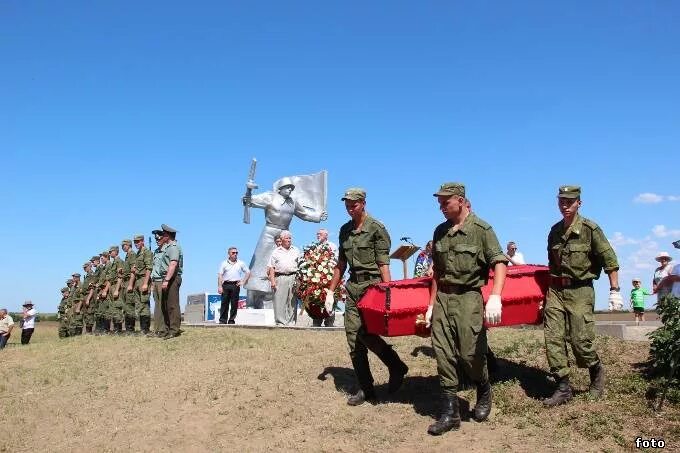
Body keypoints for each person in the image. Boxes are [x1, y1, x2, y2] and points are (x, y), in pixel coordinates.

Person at [424, 183, 507, 435]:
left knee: (470, 353)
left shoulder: (482, 229)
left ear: (460, 200)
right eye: (439, 203)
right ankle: (450, 413)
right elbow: (437, 272)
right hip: (443, 300)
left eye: (445, 202)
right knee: (443, 353)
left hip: (469, 298)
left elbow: (499, 262)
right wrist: (430, 304)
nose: (441, 207)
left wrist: (495, 296)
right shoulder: (440, 231)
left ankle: (483, 387)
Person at [325, 188, 408, 406]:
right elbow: (341, 264)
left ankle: (395, 365)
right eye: (347, 204)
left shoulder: (376, 229)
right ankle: (366, 388)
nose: (349, 207)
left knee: (368, 334)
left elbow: (383, 265)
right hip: (352, 286)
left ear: (363, 203)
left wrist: (387, 292)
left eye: (353, 204)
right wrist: (330, 291)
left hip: (372, 287)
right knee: (353, 338)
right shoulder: (344, 230)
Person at [543, 185, 620, 407]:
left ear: (579, 203)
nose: (565, 205)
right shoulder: (554, 231)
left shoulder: (590, 229)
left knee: (580, 341)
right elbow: (552, 265)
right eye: (561, 201)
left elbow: (610, 260)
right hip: (556, 290)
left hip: (580, 290)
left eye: (570, 201)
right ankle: (563, 386)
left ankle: (595, 370)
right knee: (553, 338)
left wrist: (614, 290)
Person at [243, 177, 327, 307]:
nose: (290, 190)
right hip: (269, 232)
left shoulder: (292, 202)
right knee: (260, 263)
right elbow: (249, 201)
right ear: (280, 188)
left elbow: (304, 214)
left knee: (282, 263)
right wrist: (248, 193)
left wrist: (318, 216)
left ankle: (273, 295)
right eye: (287, 187)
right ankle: (254, 296)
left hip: (284, 233)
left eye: (291, 188)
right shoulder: (270, 197)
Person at [151, 224, 183, 339]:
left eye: (164, 234)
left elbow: (173, 264)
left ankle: (174, 330)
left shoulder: (174, 247)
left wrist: (166, 280)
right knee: (165, 305)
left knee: (172, 305)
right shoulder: (169, 247)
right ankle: (167, 329)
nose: (162, 236)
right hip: (168, 278)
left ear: (168, 236)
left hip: (172, 278)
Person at [267, 231, 301, 326]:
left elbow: (301, 265)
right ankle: (280, 322)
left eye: (290, 238)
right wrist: (273, 281)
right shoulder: (276, 252)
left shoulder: (296, 250)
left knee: (292, 301)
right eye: (287, 238)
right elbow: (271, 268)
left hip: (293, 276)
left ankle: (291, 322)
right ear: (281, 240)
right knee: (279, 301)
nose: (289, 240)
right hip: (280, 277)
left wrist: (299, 280)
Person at [218, 247, 250, 324]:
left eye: (236, 253)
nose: (235, 254)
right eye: (233, 253)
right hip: (226, 284)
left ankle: (231, 320)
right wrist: (219, 286)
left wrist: (243, 281)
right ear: (229, 254)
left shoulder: (241, 263)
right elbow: (220, 275)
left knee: (234, 303)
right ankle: (223, 320)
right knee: (224, 303)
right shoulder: (224, 263)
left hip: (235, 285)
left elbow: (248, 272)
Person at [313, 228, 338, 327]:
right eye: (317, 234)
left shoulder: (332, 246)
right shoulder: (315, 246)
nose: (318, 235)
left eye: (320, 234)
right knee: (316, 298)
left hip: (329, 276)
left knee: (330, 297)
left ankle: (329, 321)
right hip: (316, 277)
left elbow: (336, 260)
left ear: (326, 236)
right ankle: (317, 321)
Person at [132, 235, 154, 335]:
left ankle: (145, 329)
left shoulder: (146, 252)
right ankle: (142, 328)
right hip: (137, 279)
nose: (136, 243)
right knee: (139, 305)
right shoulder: (138, 253)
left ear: (142, 241)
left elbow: (149, 268)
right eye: (135, 242)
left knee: (144, 304)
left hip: (144, 279)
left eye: (138, 241)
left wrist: (145, 283)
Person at [106, 245, 126, 334]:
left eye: (111, 251)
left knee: (117, 307)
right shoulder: (114, 262)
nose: (110, 253)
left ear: (116, 252)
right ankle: (115, 328)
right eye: (109, 252)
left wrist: (117, 289)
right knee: (113, 308)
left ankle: (119, 329)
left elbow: (120, 277)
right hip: (112, 286)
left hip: (117, 286)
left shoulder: (119, 262)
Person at [121, 239, 138, 334]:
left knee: (130, 306)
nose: (122, 247)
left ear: (128, 245)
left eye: (124, 245)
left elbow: (133, 271)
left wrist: (131, 284)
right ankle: (128, 328)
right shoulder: (127, 256)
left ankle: (130, 329)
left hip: (129, 283)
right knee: (127, 306)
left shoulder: (132, 255)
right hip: (126, 282)